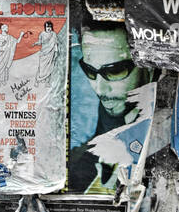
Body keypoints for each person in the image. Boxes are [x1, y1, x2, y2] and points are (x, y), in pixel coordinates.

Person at [67, 16, 156, 193]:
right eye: (90, 71)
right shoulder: (82, 169)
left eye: (115, 71)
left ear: (149, 66)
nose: (100, 89)